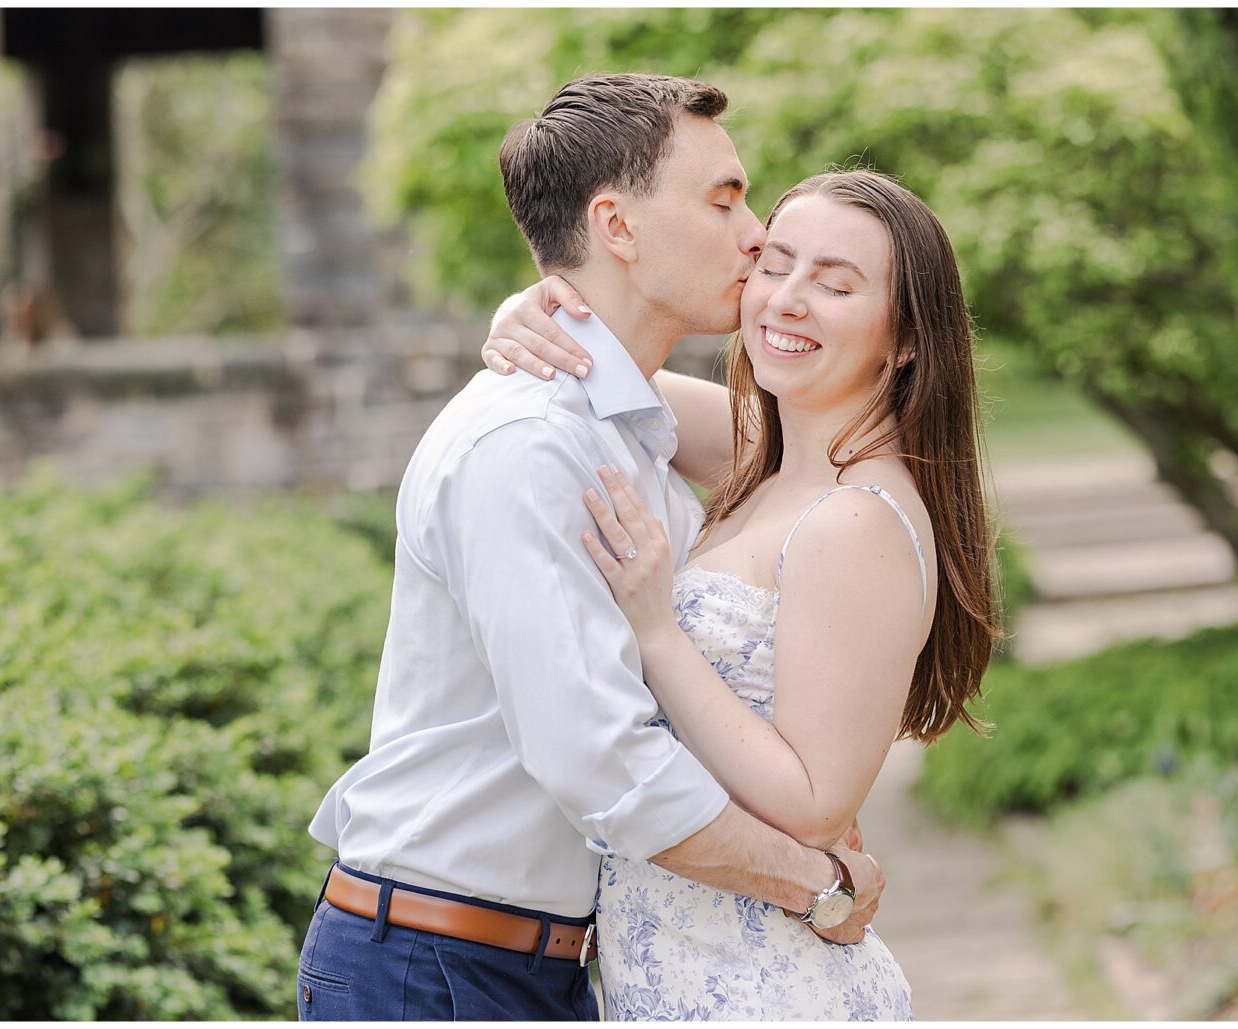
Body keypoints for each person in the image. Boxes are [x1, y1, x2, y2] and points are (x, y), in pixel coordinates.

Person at [299, 75, 886, 1022]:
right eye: (724, 199)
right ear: (616, 226)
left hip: (544, 964)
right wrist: (813, 880)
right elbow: (602, 761)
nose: (756, 239)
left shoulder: (630, 425)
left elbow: (811, 452)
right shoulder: (530, 443)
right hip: (436, 967)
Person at [482, 168, 999, 1018]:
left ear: (904, 339)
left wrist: (658, 633)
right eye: (775, 263)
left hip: (764, 987)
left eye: (835, 284)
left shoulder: (855, 520)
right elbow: (606, 374)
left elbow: (814, 804)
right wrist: (526, 312)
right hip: (682, 974)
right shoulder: (769, 454)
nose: (787, 300)